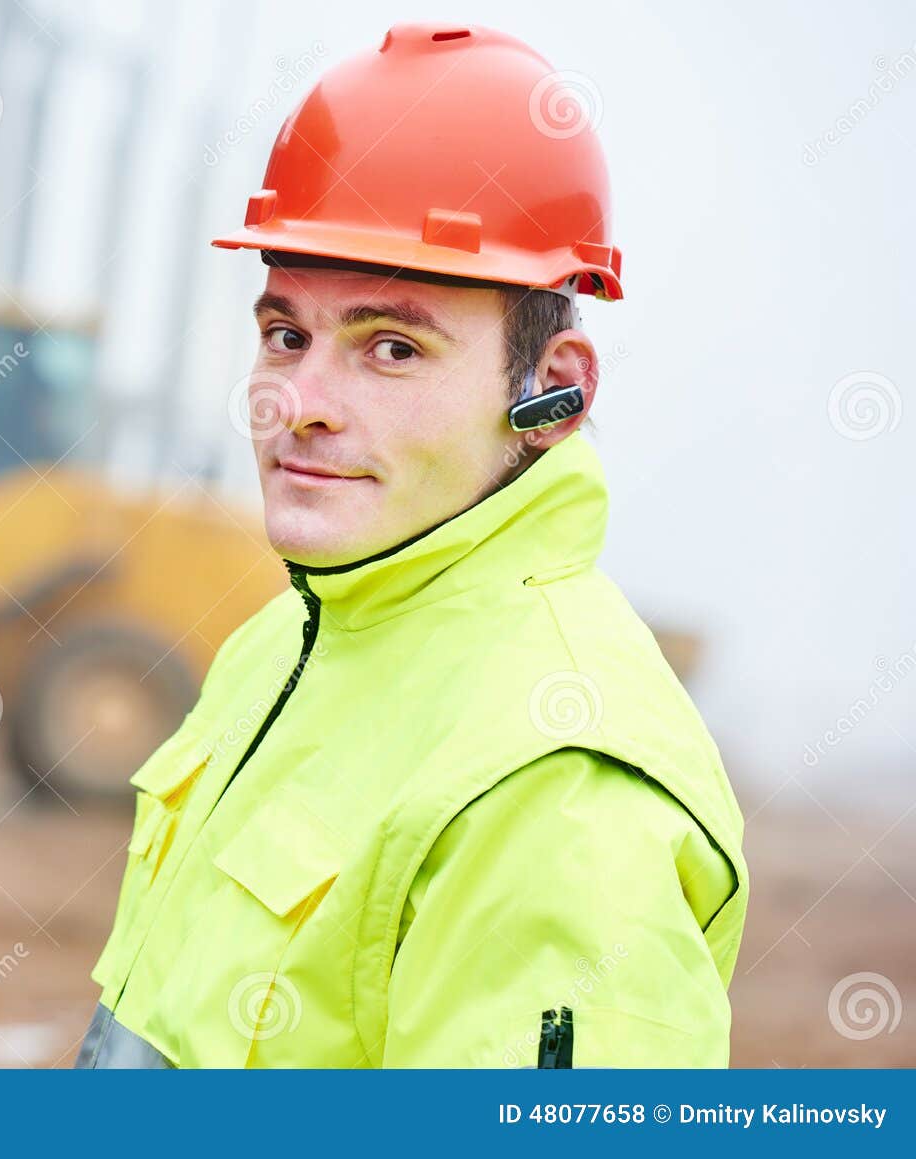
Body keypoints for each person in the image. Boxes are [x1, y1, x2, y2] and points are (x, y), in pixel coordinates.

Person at [75, 22, 747, 1068]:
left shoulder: (557, 784)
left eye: (391, 347)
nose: (297, 405)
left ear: (549, 392)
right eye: (285, 334)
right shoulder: (283, 642)